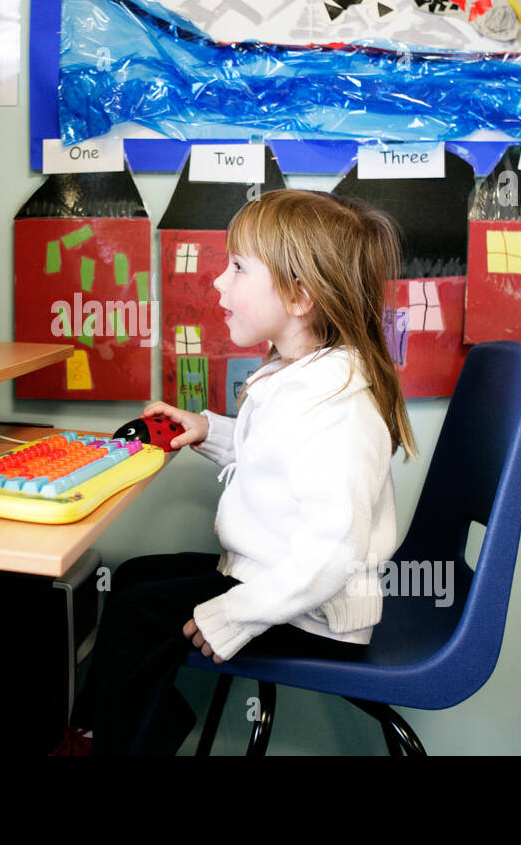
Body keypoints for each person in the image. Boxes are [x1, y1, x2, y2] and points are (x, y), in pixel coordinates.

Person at [64, 188, 416, 756]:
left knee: (134, 614)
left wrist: (238, 613)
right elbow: (278, 462)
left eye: (236, 268)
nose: (217, 284)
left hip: (311, 610)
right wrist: (210, 430)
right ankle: (99, 729)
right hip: (288, 584)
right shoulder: (301, 374)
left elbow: (334, 551)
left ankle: (116, 744)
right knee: (133, 577)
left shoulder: (337, 406)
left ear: (300, 295)